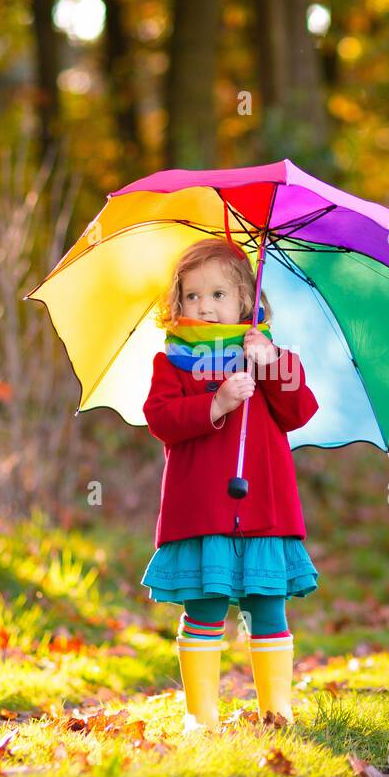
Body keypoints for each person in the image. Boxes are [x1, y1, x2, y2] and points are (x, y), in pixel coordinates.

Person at [141, 236, 320, 734]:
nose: (206, 306)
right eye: (193, 295)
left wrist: (272, 367)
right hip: (202, 512)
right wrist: (215, 404)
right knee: (205, 604)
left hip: (263, 507)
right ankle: (201, 716)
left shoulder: (267, 356)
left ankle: (276, 711)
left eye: (219, 295)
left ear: (246, 300)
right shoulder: (173, 362)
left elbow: (299, 411)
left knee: (267, 603)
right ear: (177, 303)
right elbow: (160, 419)